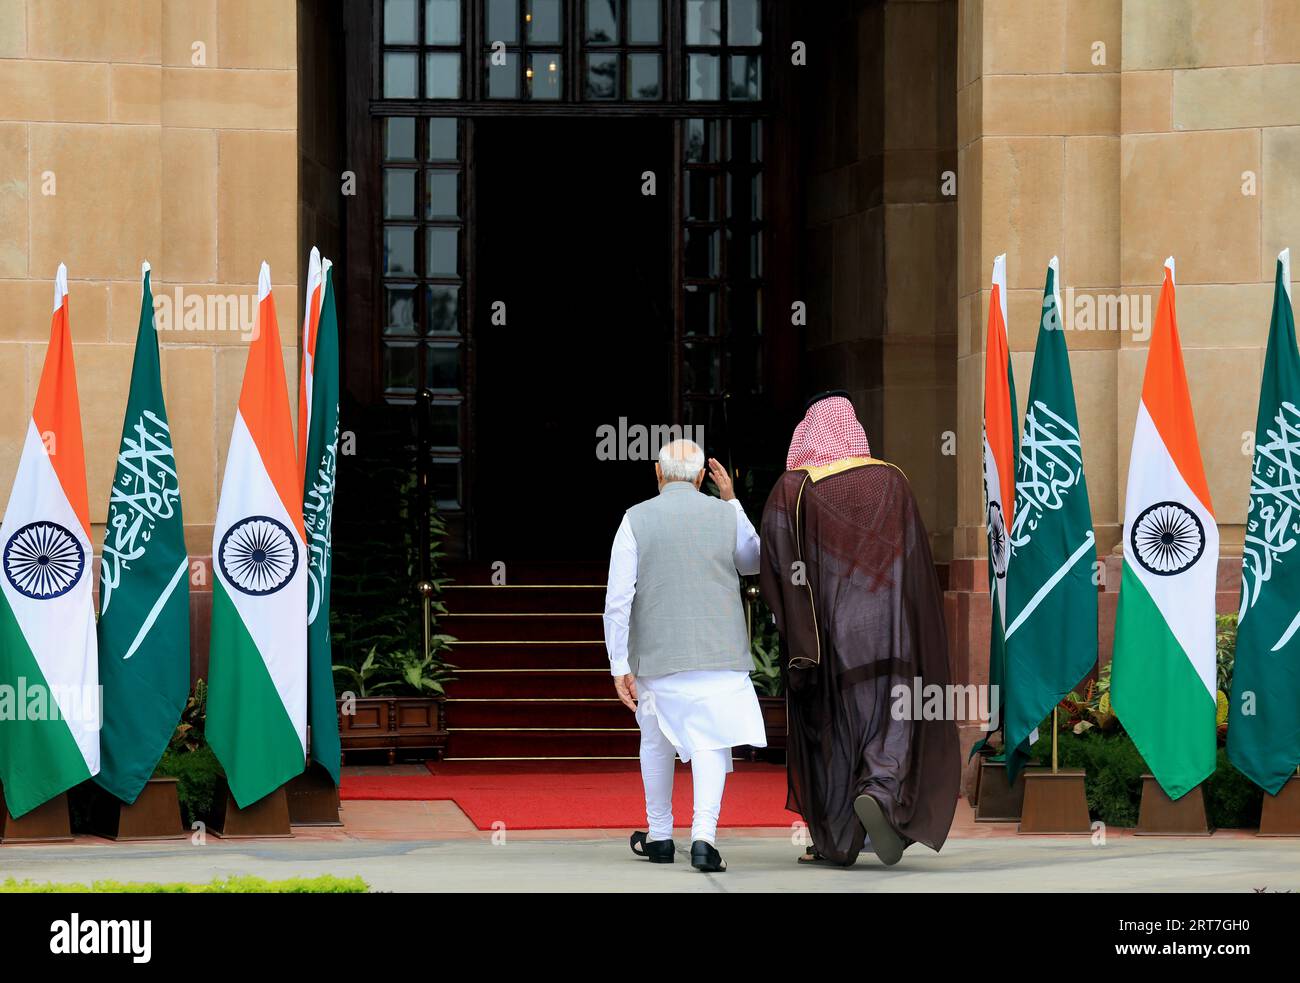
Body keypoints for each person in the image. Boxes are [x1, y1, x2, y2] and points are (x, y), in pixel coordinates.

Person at [759, 392, 959, 866]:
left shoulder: (796, 487)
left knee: (832, 729)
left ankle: (838, 838)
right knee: (893, 721)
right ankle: (881, 792)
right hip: (895, 634)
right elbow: (915, 564)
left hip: (833, 639)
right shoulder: (894, 480)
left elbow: (777, 559)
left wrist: (796, 633)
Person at [603, 438, 766, 873]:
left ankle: (659, 836)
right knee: (711, 742)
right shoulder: (722, 514)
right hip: (719, 652)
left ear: (658, 475)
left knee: (655, 741)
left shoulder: (634, 518)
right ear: (699, 478)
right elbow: (753, 561)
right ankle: (703, 839)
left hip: (657, 657)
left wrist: (619, 664)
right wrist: (731, 501)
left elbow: (618, 599)